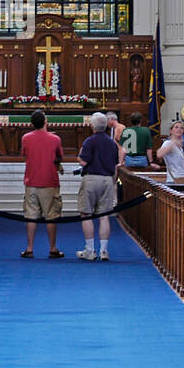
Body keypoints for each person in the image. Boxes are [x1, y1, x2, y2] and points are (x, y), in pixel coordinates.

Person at [75, 111, 122, 262]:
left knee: (86, 214)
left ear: (92, 126)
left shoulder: (90, 141)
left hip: (91, 178)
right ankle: (103, 251)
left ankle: (90, 250)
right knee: (104, 216)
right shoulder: (111, 143)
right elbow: (115, 164)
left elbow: (83, 162)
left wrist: (79, 155)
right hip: (107, 179)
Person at [20, 109, 64, 259]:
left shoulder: (26, 138)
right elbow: (60, 157)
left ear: (31, 123)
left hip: (31, 181)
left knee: (31, 215)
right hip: (49, 182)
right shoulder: (55, 139)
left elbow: (24, 154)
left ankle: (30, 248)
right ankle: (52, 248)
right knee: (51, 216)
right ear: (45, 122)